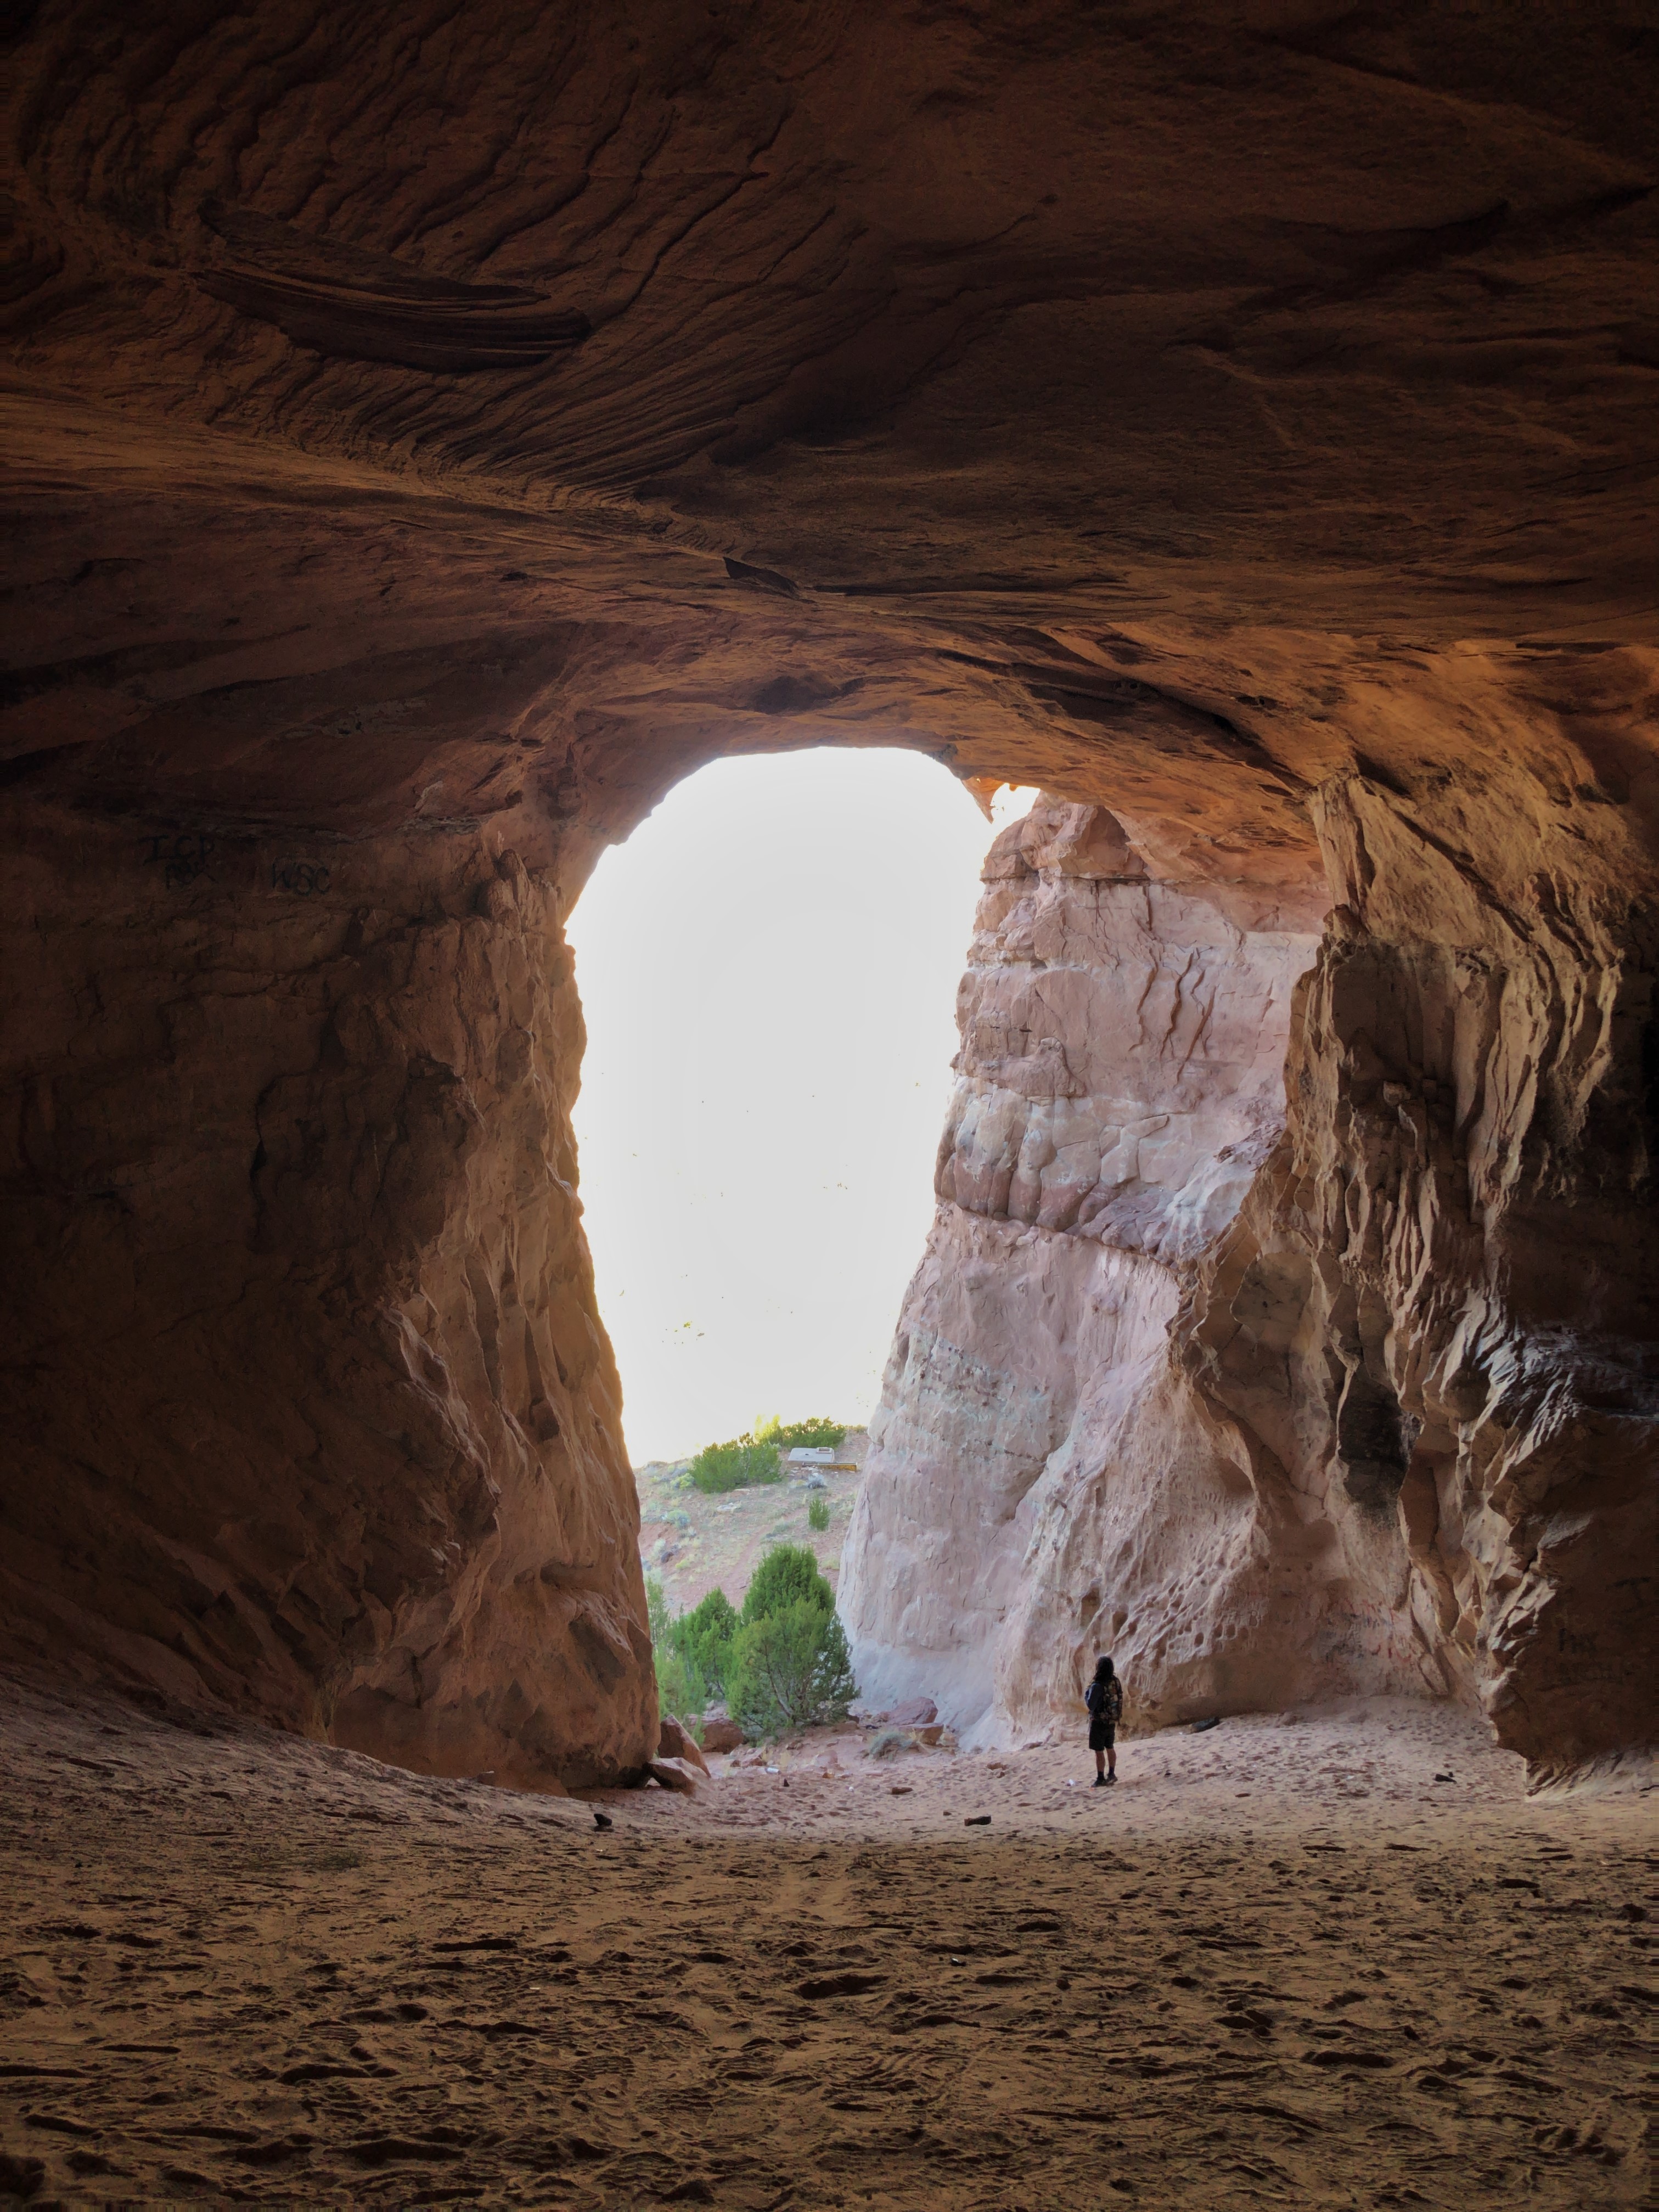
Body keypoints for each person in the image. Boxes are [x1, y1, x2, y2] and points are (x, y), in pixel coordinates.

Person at [1086, 1654, 1123, 1786]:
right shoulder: (1115, 1681)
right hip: (1112, 1721)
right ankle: (1111, 1774)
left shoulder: (1097, 1685)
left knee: (1099, 1751)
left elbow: (1091, 1705)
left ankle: (1101, 1778)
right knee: (1110, 1747)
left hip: (1099, 1722)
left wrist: (1087, 1694)